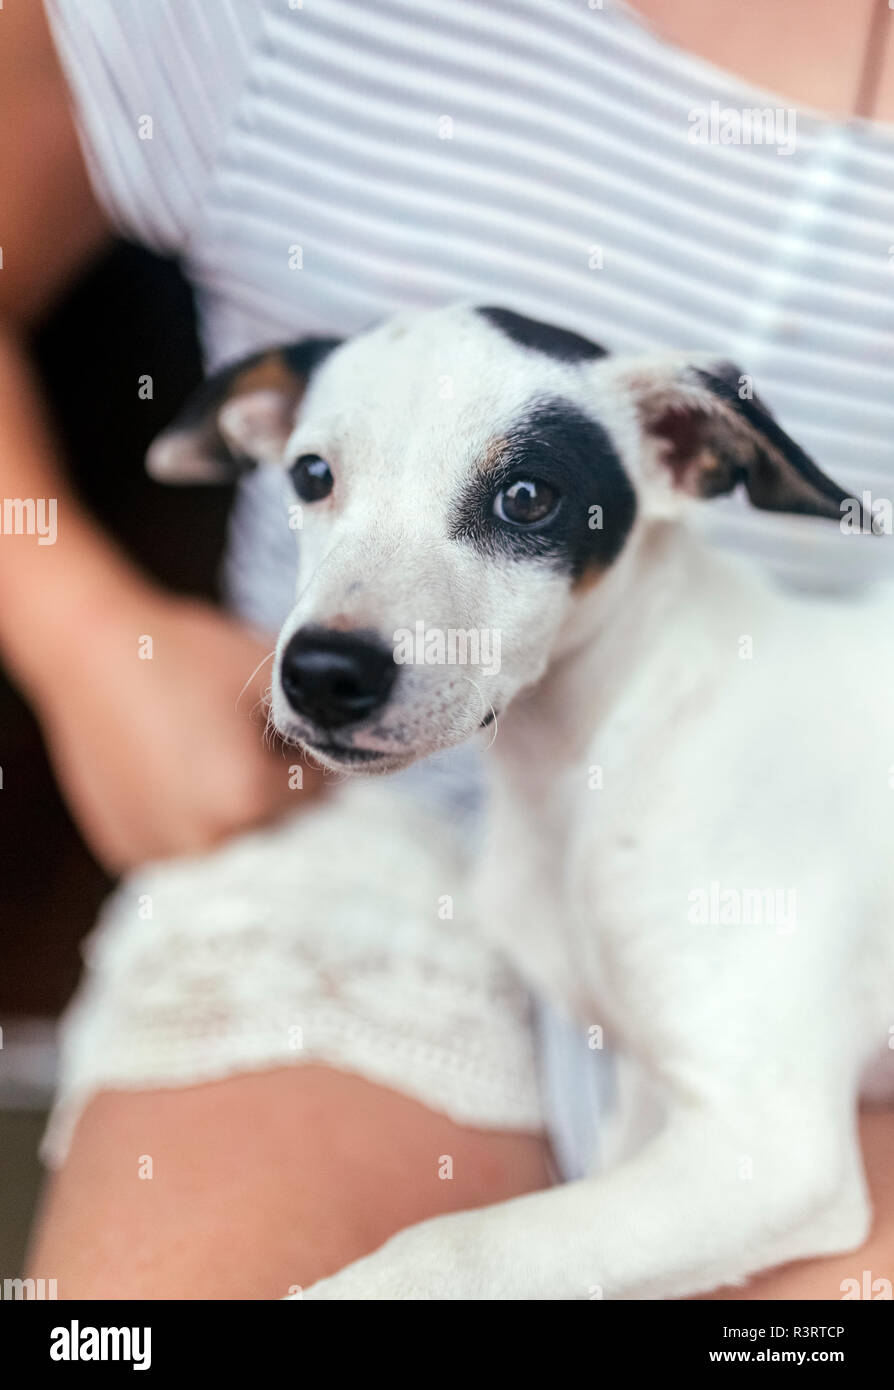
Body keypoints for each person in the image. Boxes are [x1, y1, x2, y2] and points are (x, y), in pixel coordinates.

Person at [6, 0, 893, 1297]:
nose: (346, 632)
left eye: (519, 501)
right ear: (264, 433)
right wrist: (85, 635)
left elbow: (779, 1171)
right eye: (322, 478)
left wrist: (433, 1275)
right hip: (357, 847)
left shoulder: (745, 786)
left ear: (683, 455)